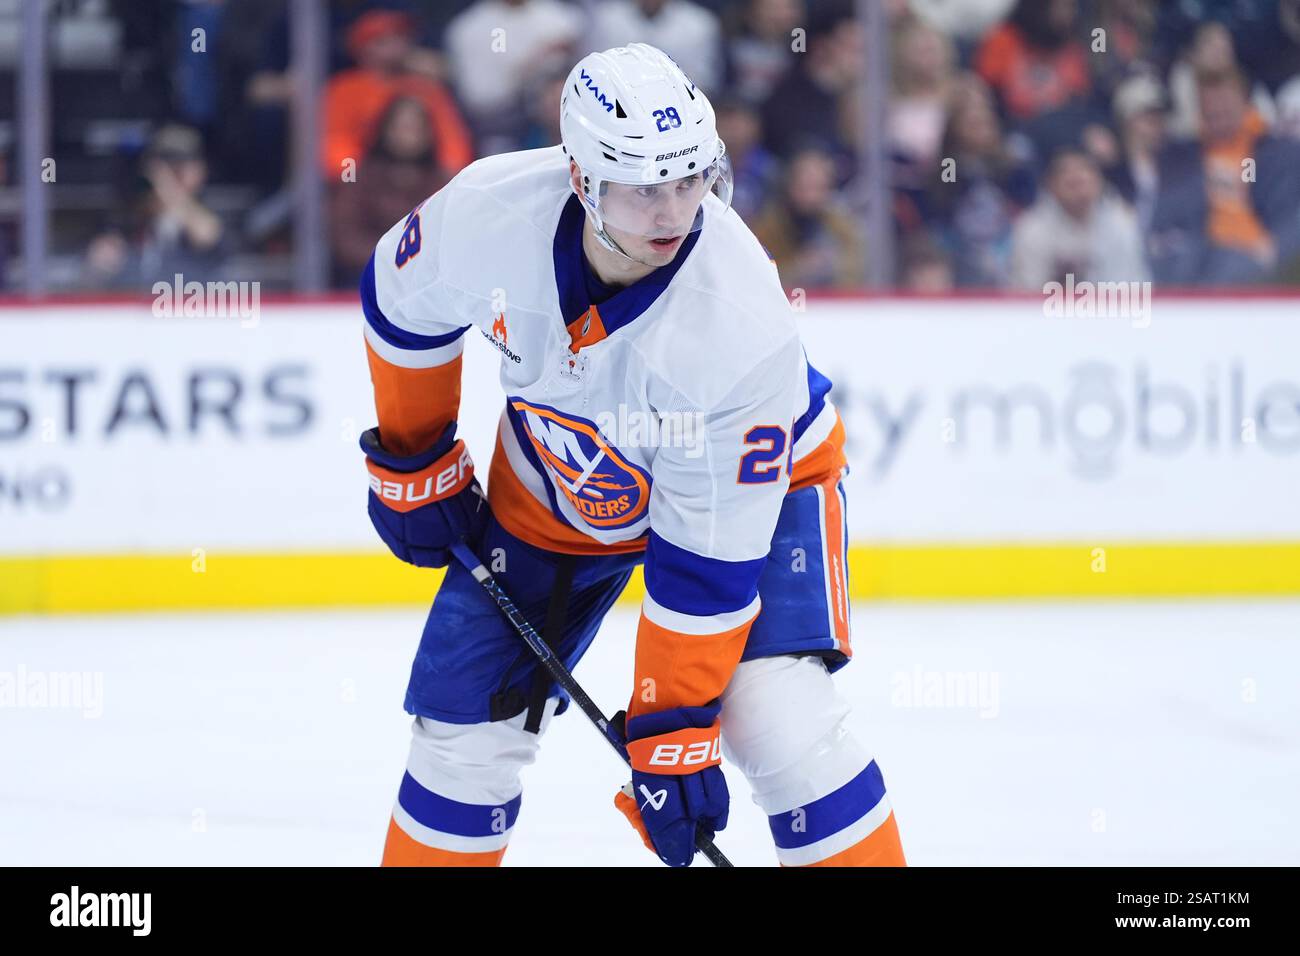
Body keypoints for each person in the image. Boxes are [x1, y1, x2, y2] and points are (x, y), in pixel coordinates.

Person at [358, 43, 906, 868]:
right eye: (646, 188)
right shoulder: (490, 212)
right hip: (561, 488)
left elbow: (708, 565)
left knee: (775, 717)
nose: (674, 212)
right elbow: (400, 303)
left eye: (691, 181)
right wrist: (414, 455)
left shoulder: (739, 329)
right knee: (459, 737)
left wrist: (673, 730)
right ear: (581, 179)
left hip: (759, 495)